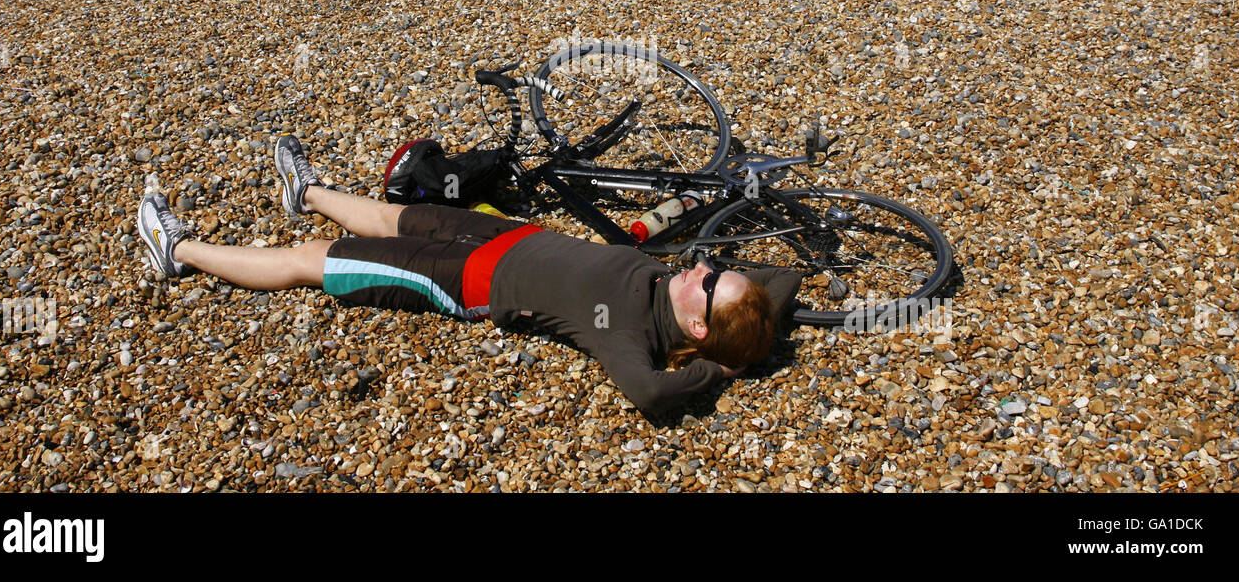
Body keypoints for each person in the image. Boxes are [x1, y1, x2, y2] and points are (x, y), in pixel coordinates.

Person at [136, 137, 800, 417]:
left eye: (713, 284)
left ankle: (182, 250)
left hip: (463, 282)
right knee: (390, 215)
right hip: (510, 237)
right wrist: (756, 331)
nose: (708, 265)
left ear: (694, 324)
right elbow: (784, 280)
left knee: (315, 260)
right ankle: (307, 191)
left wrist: (716, 373)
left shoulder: (627, 333)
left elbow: (649, 395)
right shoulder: (674, 293)